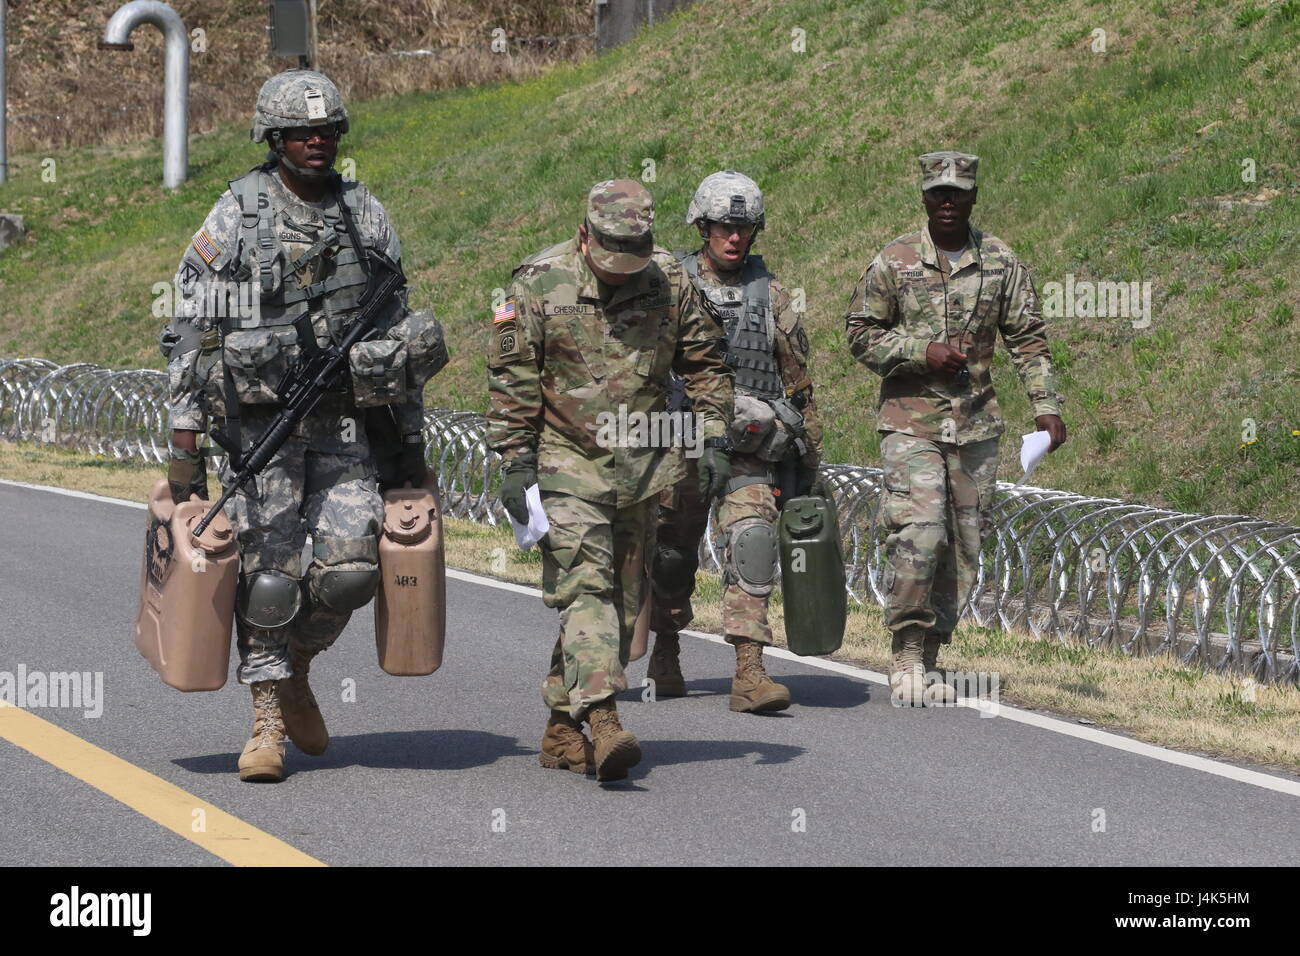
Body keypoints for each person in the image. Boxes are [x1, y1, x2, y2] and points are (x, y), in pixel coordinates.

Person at [160, 70, 446, 780]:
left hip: (349, 427)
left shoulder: (364, 215)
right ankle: (265, 721)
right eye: (301, 132)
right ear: (274, 137)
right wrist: (184, 434)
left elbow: (398, 335)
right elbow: (191, 329)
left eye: (326, 131)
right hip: (262, 432)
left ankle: (295, 666)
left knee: (350, 573)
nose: (317, 142)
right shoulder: (237, 213)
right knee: (270, 579)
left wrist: (408, 444)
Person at [487, 179, 733, 781]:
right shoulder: (537, 283)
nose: (621, 271)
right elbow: (514, 376)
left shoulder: (671, 281)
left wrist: (714, 433)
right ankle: (602, 718)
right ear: (584, 235)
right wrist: (516, 461)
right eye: (610, 258)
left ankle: (561, 731)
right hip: (564, 461)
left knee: (621, 611)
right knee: (586, 590)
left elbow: (705, 361)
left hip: (642, 470)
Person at [844, 150, 1066, 706]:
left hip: (975, 426)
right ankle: (907, 653)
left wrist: (1047, 405)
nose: (947, 203)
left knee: (964, 545)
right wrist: (920, 351)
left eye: (957, 193)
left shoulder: (1000, 261)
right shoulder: (894, 260)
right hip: (910, 423)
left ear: (972, 197)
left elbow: (1029, 338)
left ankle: (935, 651)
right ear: (923, 197)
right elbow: (859, 334)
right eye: (937, 193)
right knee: (922, 533)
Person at [647, 170, 823, 713]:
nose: (734, 238)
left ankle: (750, 670)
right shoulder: (666, 288)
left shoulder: (774, 298)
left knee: (753, 543)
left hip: (748, 449)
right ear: (702, 226)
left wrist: (809, 460)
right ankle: (665, 647)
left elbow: (799, 386)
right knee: (672, 556)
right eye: (724, 226)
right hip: (680, 446)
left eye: (744, 229)